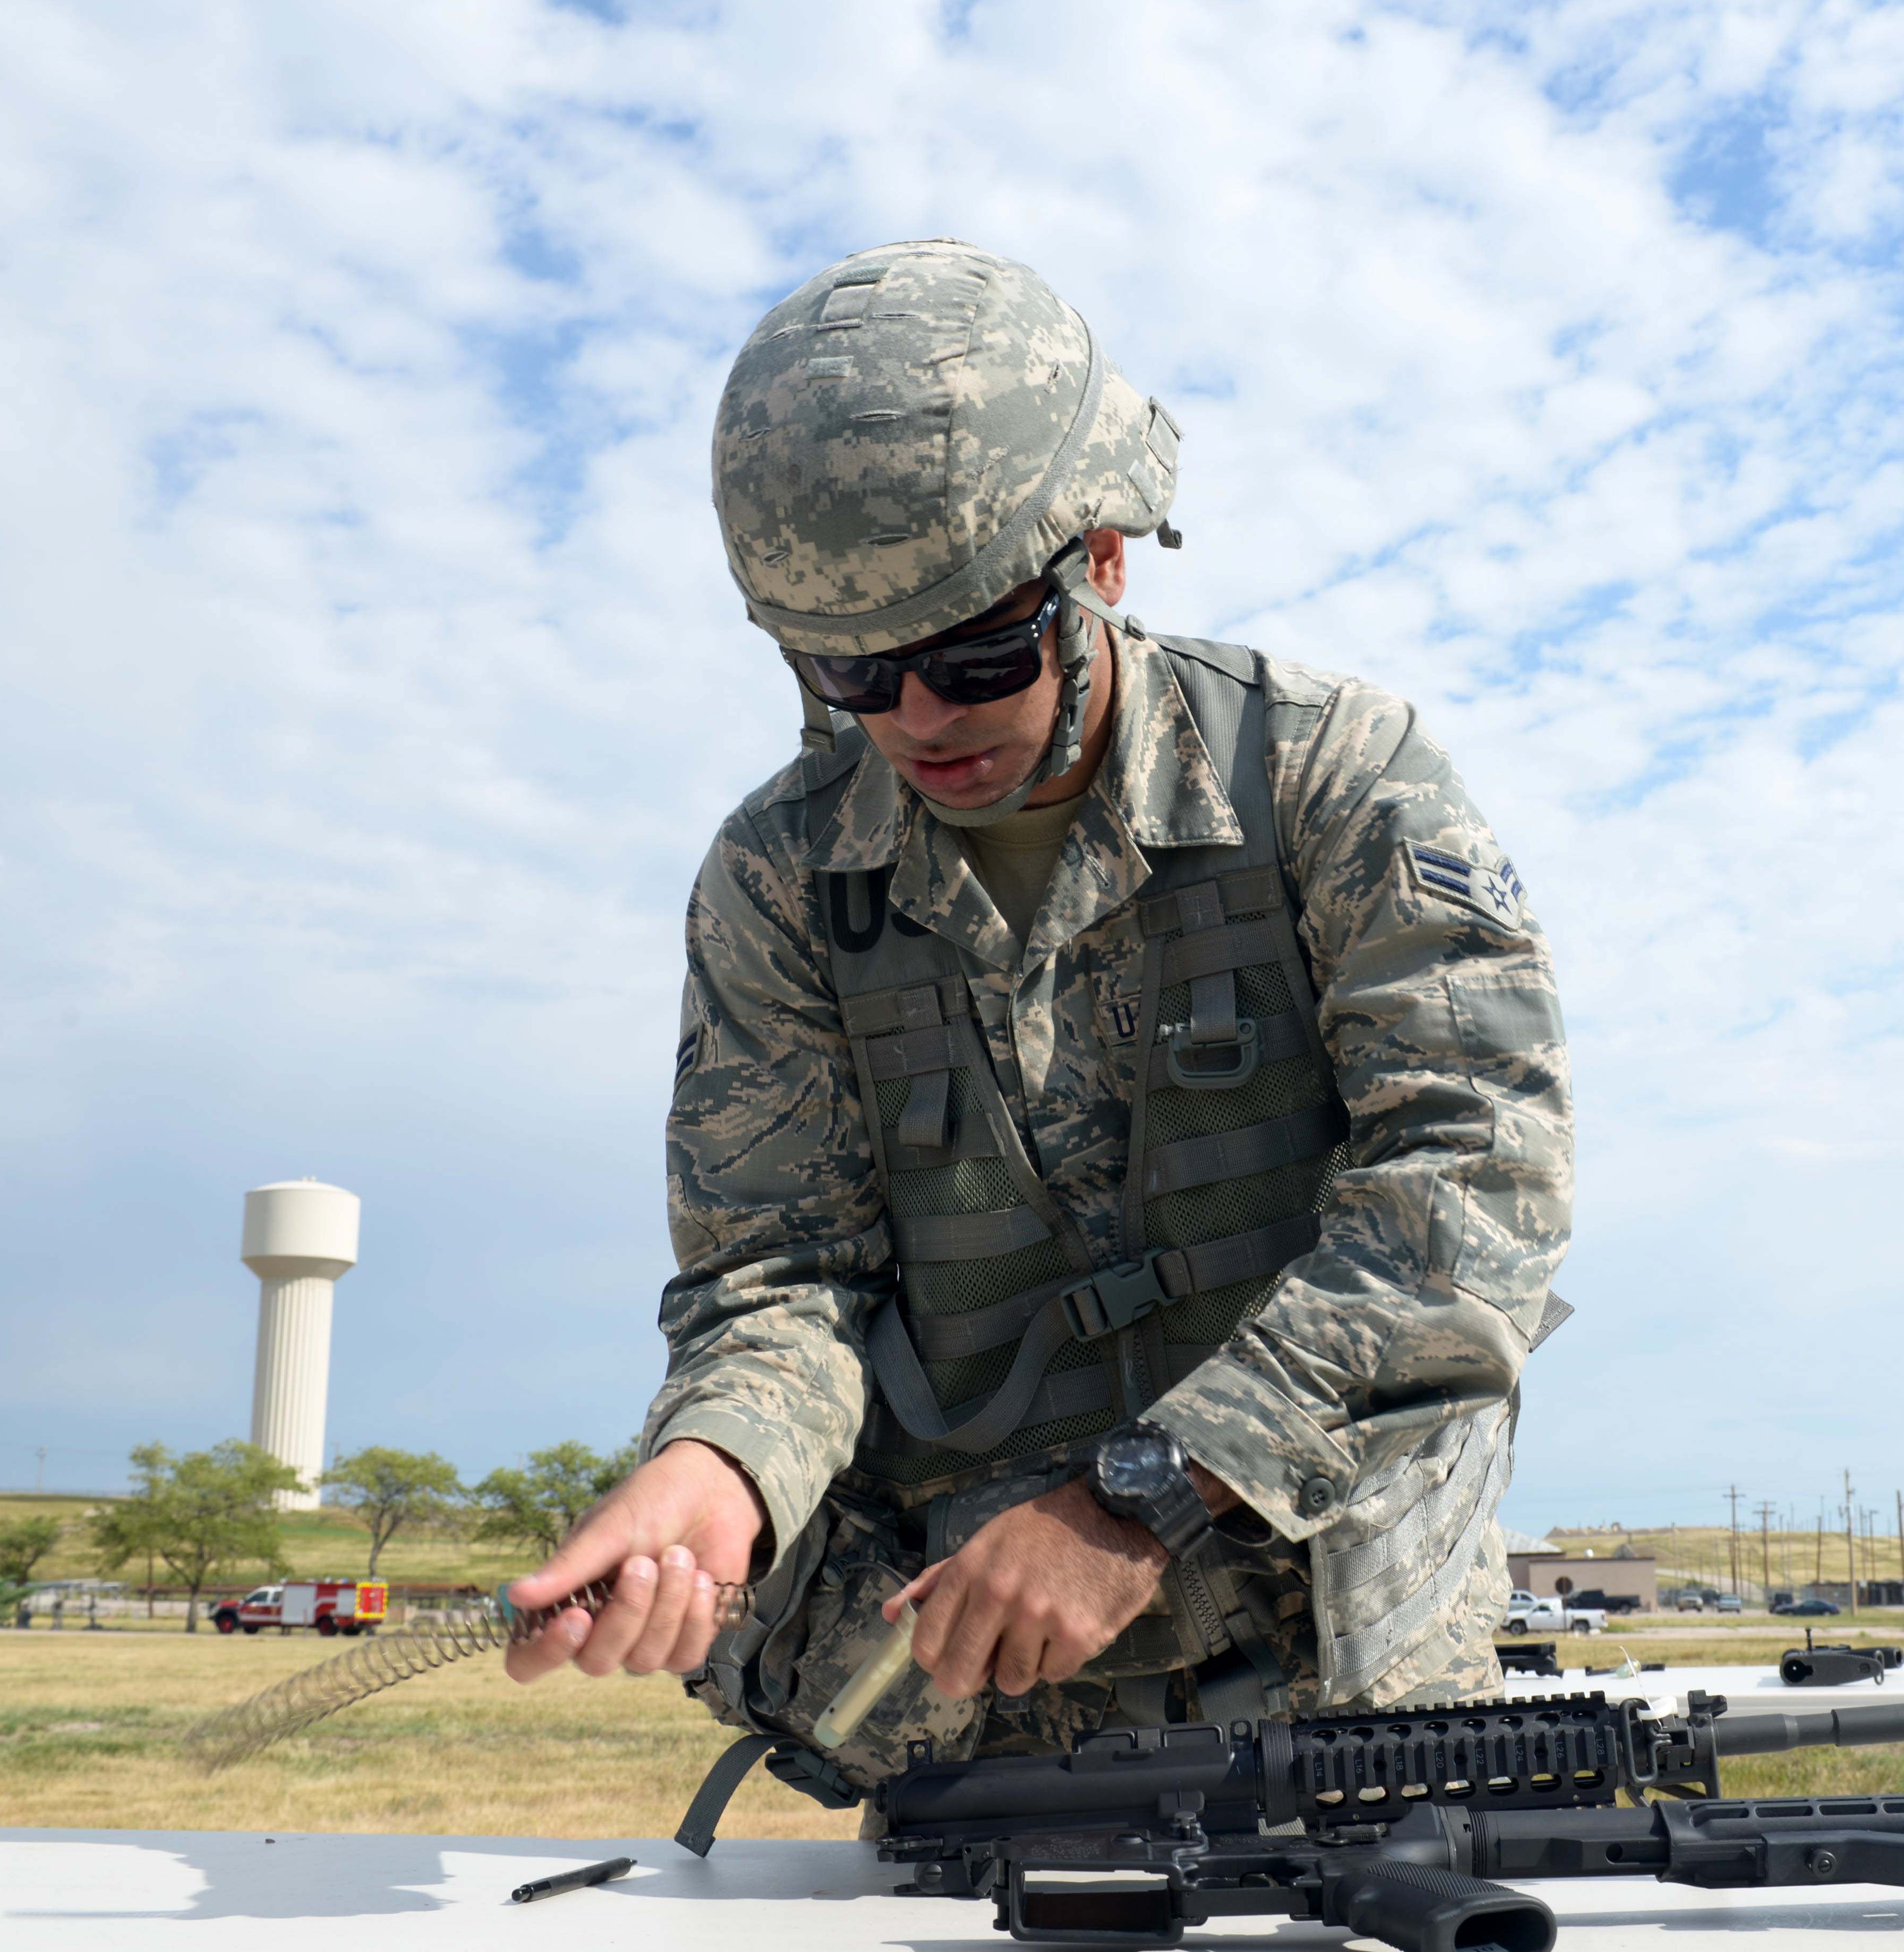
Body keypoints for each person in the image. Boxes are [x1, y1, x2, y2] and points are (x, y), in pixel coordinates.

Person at [503, 240, 1573, 1814]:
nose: (918, 719)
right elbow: (782, 1274)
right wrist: (718, 1469)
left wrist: (1137, 1498)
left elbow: (1472, 1195)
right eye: (849, 670)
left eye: (978, 655)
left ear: (1106, 567)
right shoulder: (780, 883)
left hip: (1350, 1697)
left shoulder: (1334, 776)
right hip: (973, 1729)